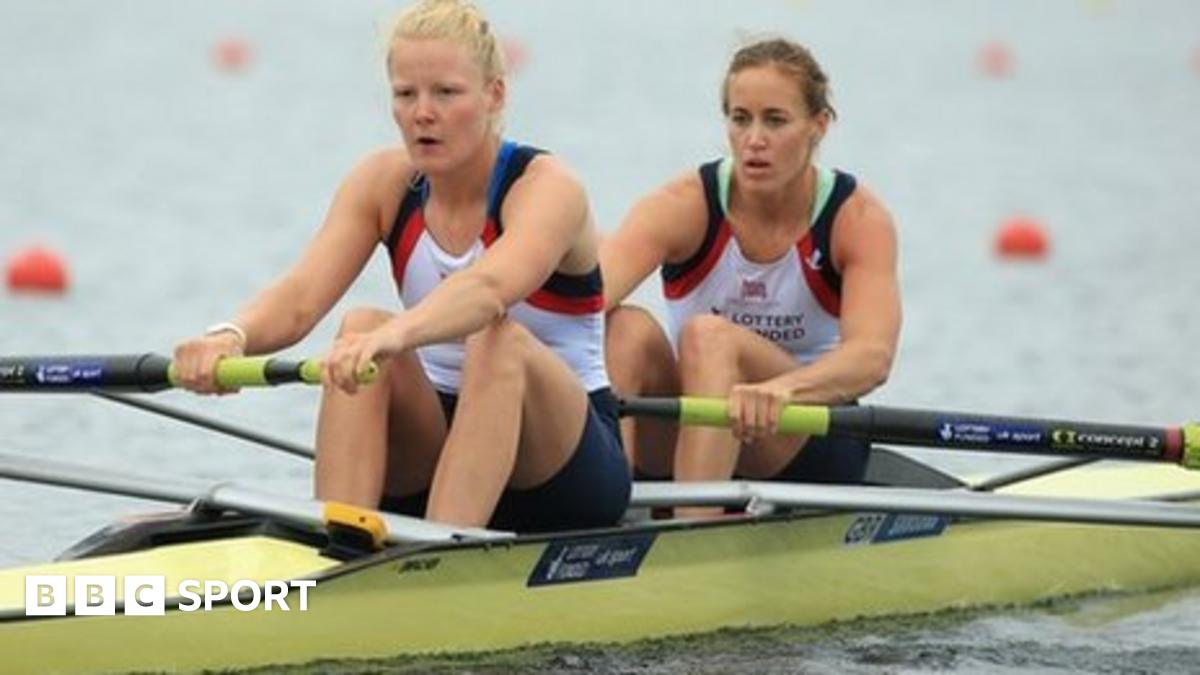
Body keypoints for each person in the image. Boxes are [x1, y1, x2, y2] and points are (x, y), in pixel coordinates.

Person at [172, 0, 630, 533]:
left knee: (494, 338)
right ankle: (336, 545)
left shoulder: (547, 188)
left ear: (494, 95)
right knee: (359, 325)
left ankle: (433, 564)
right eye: (406, 94)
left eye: (446, 92)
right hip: (437, 448)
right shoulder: (383, 183)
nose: (422, 113)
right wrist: (230, 336)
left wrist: (398, 336)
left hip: (564, 468)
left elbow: (487, 290)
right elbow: (300, 298)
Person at [601, 37, 901, 516]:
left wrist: (782, 391)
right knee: (625, 328)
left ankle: (690, 541)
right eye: (740, 119)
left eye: (775, 120)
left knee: (709, 338)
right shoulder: (681, 204)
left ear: (818, 126)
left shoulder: (857, 219)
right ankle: (600, 516)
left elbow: (871, 358)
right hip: (702, 422)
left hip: (808, 438)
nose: (754, 140)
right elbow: (583, 302)